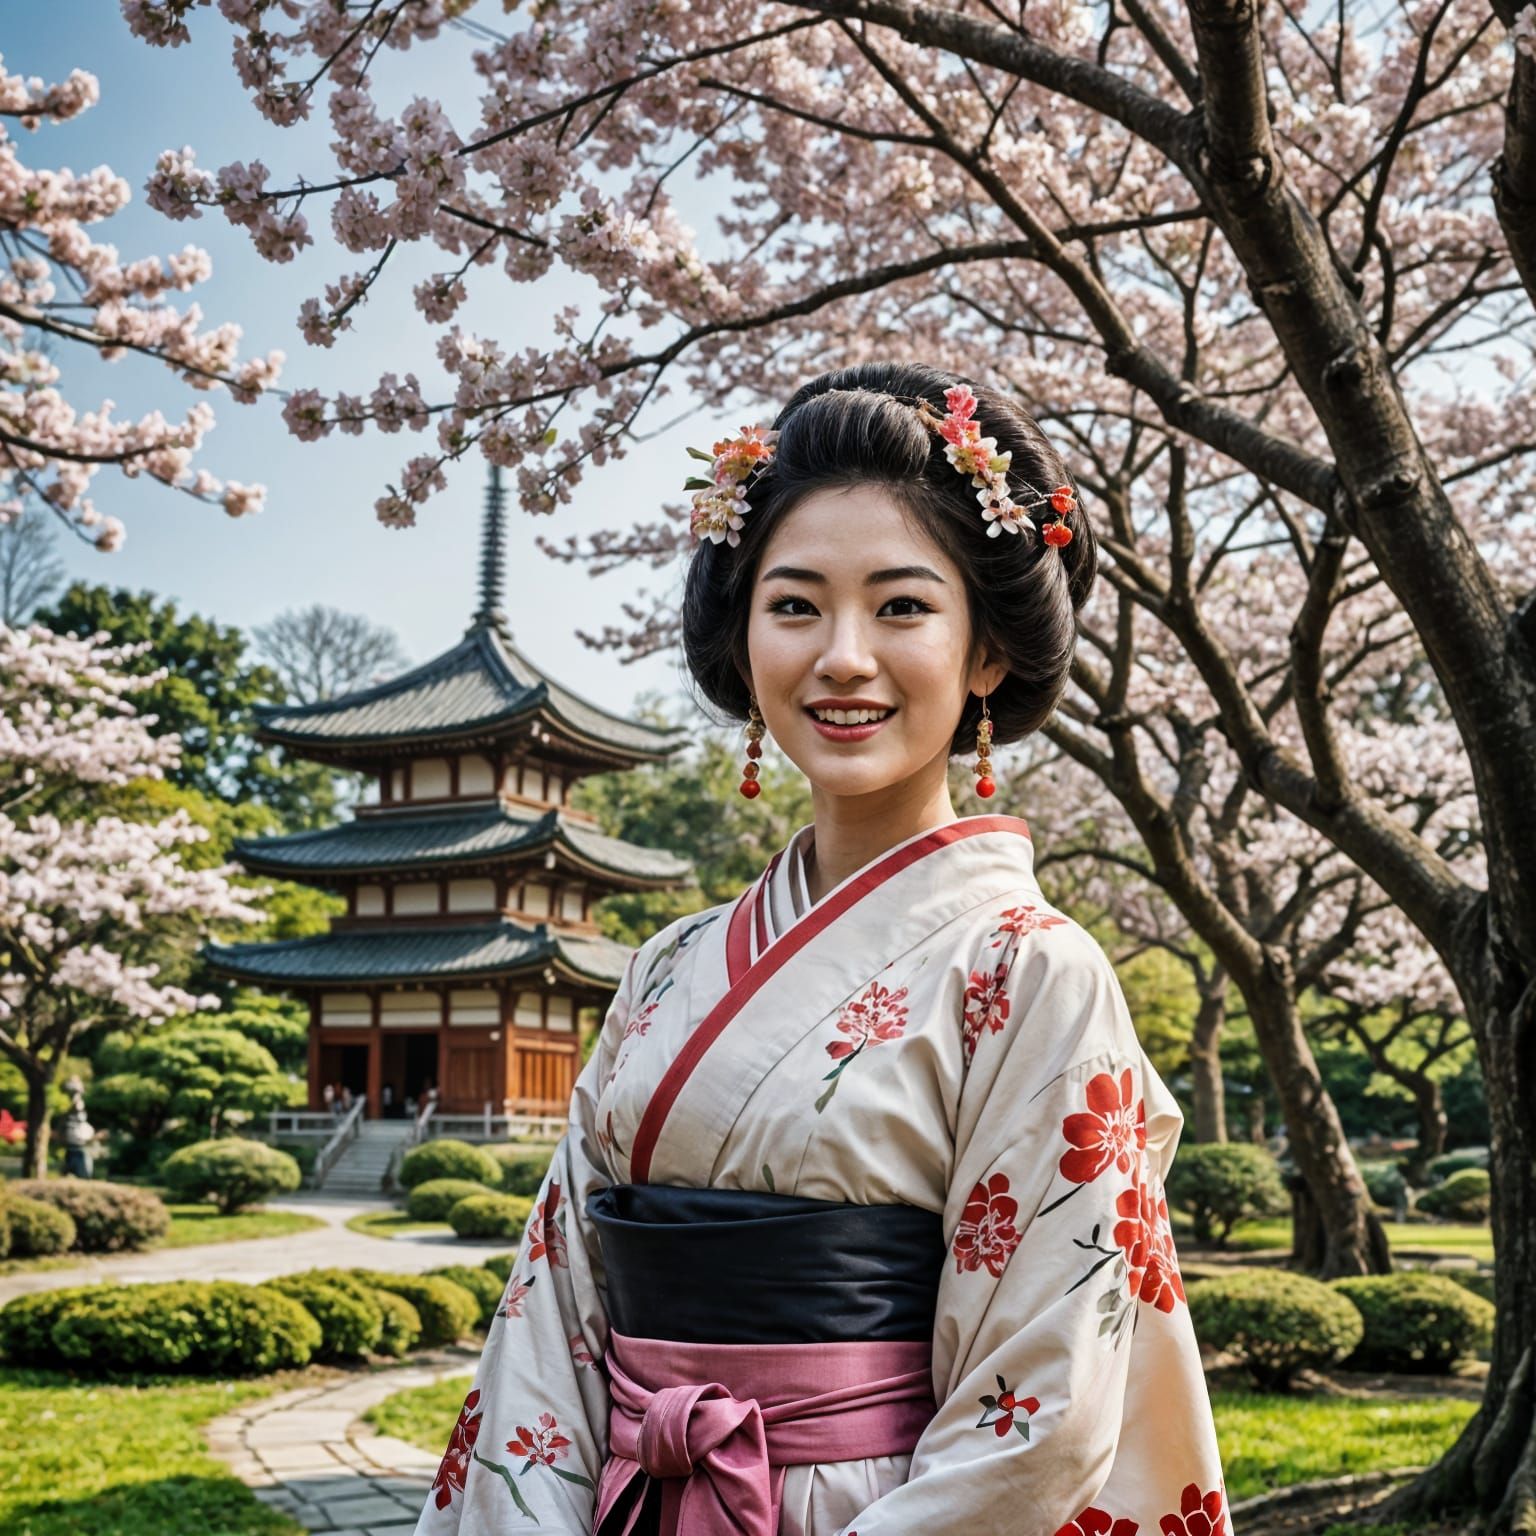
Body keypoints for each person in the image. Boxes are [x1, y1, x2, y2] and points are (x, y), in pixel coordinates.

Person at [414, 364, 1230, 1536]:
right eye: (794, 606)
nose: (843, 657)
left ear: (986, 653)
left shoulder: (1029, 972)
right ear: (745, 646)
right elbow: (552, 1323)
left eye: (902, 608)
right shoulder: (664, 968)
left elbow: (1041, 1409)